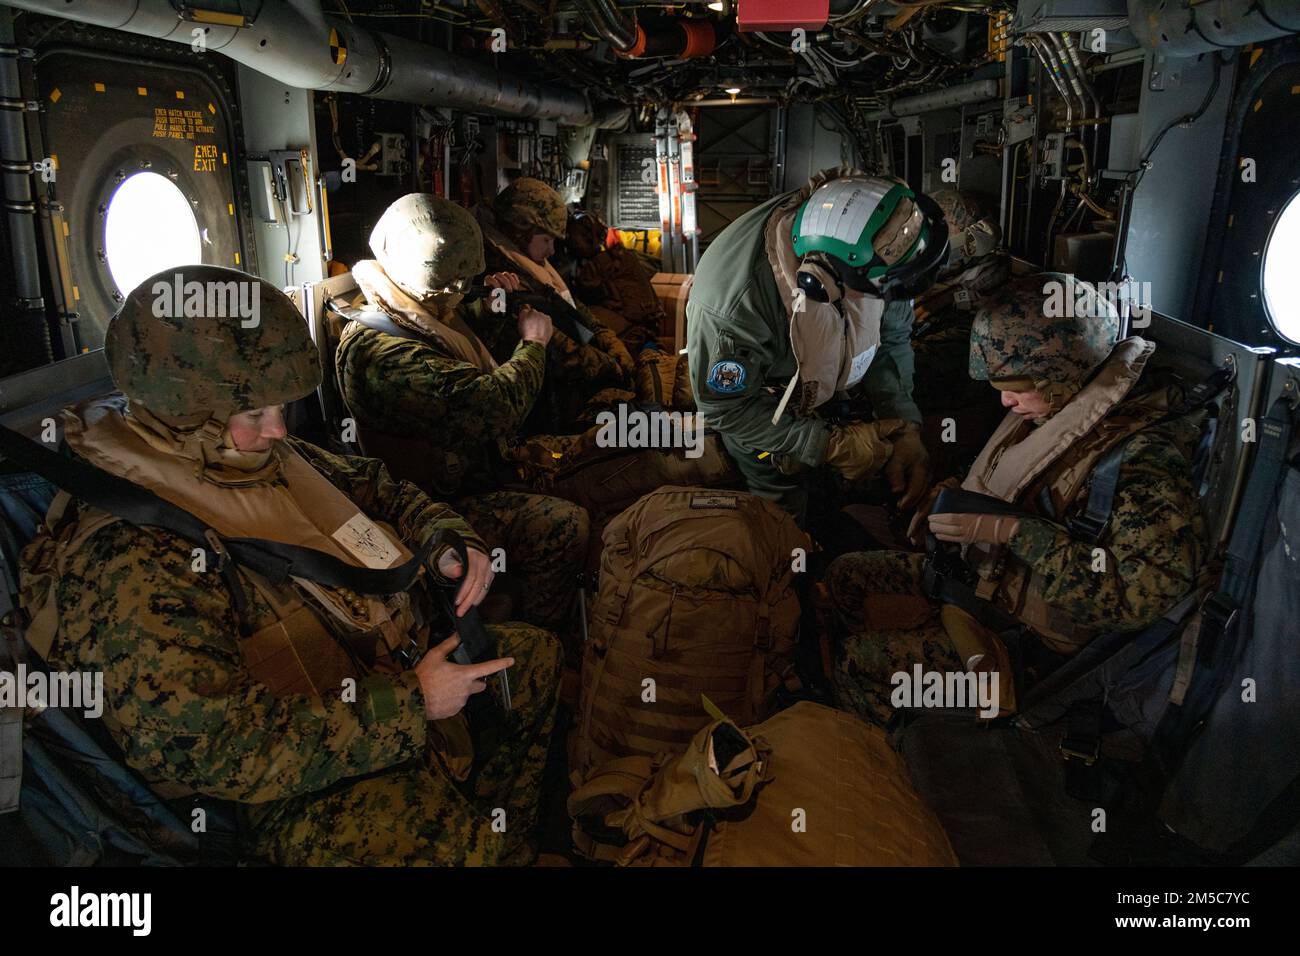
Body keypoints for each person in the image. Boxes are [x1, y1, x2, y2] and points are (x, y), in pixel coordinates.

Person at [20, 265, 562, 865]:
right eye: (256, 414)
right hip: (284, 789)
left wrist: (446, 538)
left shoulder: (264, 457)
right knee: (438, 841)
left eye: (278, 408)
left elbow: (381, 489)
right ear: (187, 412)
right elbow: (206, 747)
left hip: (378, 680)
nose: (279, 429)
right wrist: (411, 704)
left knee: (531, 662)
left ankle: (508, 848)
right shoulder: (132, 555)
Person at [827, 274, 1204, 726]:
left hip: (1025, 639)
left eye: (1018, 386)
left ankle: (918, 754)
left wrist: (1012, 531)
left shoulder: (1143, 458)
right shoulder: (1054, 407)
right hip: (975, 583)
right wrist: (952, 493)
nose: (1005, 400)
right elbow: (1012, 477)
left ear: (1067, 371)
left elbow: (1136, 600)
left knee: (854, 662)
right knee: (843, 579)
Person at [335, 193, 590, 642]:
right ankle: (533, 639)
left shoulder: (414, 305)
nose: (457, 293)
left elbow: (455, 331)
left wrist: (497, 303)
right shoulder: (381, 354)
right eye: (450, 285)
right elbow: (494, 408)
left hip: (483, 470)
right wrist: (532, 344)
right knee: (565, 524)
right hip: (437, 506)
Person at [685, 168, 950, 527]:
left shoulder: (878, 241)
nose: (894, 299)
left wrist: (903, 422)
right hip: (766, 414)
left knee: (830, 501)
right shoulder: (734, 308)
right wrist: (829, 446)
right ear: (820, 283)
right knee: (784, 517)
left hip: (827, 385)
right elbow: (727, 409)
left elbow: (890, 337)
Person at [474, 177, 637, 420]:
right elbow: (562, 351)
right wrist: (611, 367)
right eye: (546, 240)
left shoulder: (530, 265)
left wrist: (606, 338)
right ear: (520, 230)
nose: (551, 251)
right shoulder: (501, 281)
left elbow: (572, 307)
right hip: (545, 406)